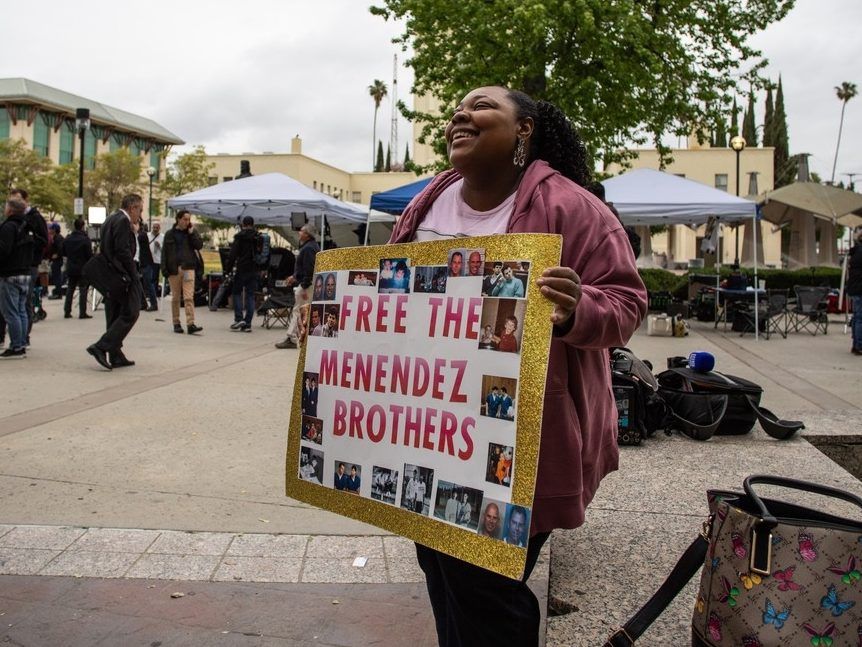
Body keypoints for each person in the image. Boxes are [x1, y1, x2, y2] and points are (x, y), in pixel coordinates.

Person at [387, 85, 646, 647]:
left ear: (523, 129)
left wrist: (579, 308)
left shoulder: (571, 207)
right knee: (442, 570)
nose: (461, 113)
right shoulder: (428, 202)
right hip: (429, 433)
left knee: (481, 585)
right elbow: (391, 295)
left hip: (522, 440)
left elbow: (627, 304)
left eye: (482, 105)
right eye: (458, 107)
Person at [86, 194, 146, 371]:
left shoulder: (111, 218)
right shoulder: (122, 221)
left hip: (112, 273)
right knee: (131, 312)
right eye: (140, 210)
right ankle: (101, 346)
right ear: (132, 207)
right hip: (122, 273)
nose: (140, 215)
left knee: (115, 313)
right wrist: (133, 273)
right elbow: (122, 250)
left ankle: (115, 353)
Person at [8, 189, 48, 346]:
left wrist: (27, 248)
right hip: (14, 266)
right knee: (12, 304)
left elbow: (43, 240)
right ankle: (16, 338)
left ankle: (23, 339)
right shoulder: (12, 219)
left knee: (24, 302)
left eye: (17, 199)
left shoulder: (34, 218)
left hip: (29, 264)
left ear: (25, 200)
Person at [0, 198, 34, 358]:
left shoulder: (8, 227)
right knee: (21, 310)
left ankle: (16, 346)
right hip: (25, 271)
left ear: (11, 210)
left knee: (11, 311)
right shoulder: (27, 226)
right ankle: (21, 343)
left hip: (10, 272)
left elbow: (4, 249)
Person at [276, 224, 319, 349]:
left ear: (307, 234)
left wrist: (305, 286)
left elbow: (309, 269)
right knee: (304, 310)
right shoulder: (310, 247)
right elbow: (304, 268)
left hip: (307, 284)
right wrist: (294, 277)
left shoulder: (308, 248)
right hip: (308, 283)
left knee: (299, 310)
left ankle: (292, 337)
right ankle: (300, 337)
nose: (299, 233)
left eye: (301, 231)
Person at [162, 210, 203, 335]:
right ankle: (176, 322)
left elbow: (199, 245)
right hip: (174, 269)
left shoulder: (191, 233)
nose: (187, 222)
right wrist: (164, 269)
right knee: (175, 297)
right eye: (185, 219)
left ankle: (190, 323)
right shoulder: (169, 234)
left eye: (188, 219)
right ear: (178, 219)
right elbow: (165, 252)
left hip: (188, 267)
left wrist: (192, 234)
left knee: (188, 297)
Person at [225, 216, 259, 332]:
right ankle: (248, 323)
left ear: (243, 224)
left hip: (242, 268)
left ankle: (239, 318)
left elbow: (233, 255)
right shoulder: (258, 237)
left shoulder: (239, 237)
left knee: (236, 292)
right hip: (254, 269)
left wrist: (227, 269)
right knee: (250, 295)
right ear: (253, 224)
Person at [61, 218, 93, 319]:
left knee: (70, 288)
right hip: (82, 267)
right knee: (83, 289)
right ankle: (82, 312)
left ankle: (67, 310)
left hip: (71, 266)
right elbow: (89, 254)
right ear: (83, 226)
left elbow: (63, 251)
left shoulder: (68, 238)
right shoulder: (85, 239)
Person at [137, 223, 158, 312]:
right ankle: (144, 303)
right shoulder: (142, 235)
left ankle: (153, 304)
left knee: (148, 283)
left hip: (146, 262)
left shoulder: (141, 235)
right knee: (142, 283)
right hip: (144, 262)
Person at [848, 226, 862, 356]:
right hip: (860, 288)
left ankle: (855, 344)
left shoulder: (855, 251)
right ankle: (859, 345)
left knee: (857, 316)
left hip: (854, 288)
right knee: (859, 318)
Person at [47, 223, 65, 299]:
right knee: (56, 276)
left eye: (50, 229)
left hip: (57, 260)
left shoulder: (57, 238)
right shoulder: (55, 238)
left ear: (54, 230)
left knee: (57, 276)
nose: (49, 230)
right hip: (56, 260)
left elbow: (60, 248)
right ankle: (57, 291)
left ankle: (58, 292)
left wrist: (57, 254)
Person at [148, 221, 164, 300]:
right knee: (149, 277)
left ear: (159, 228)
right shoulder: (148, 235)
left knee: (155, 277)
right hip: (149, 259)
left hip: (157, 260)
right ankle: (150, 294)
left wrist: (159, 246)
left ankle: (155, 294)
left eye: (157, 227)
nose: (155, 229)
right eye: (154, 227)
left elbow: (164, 250)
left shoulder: (162, 237)